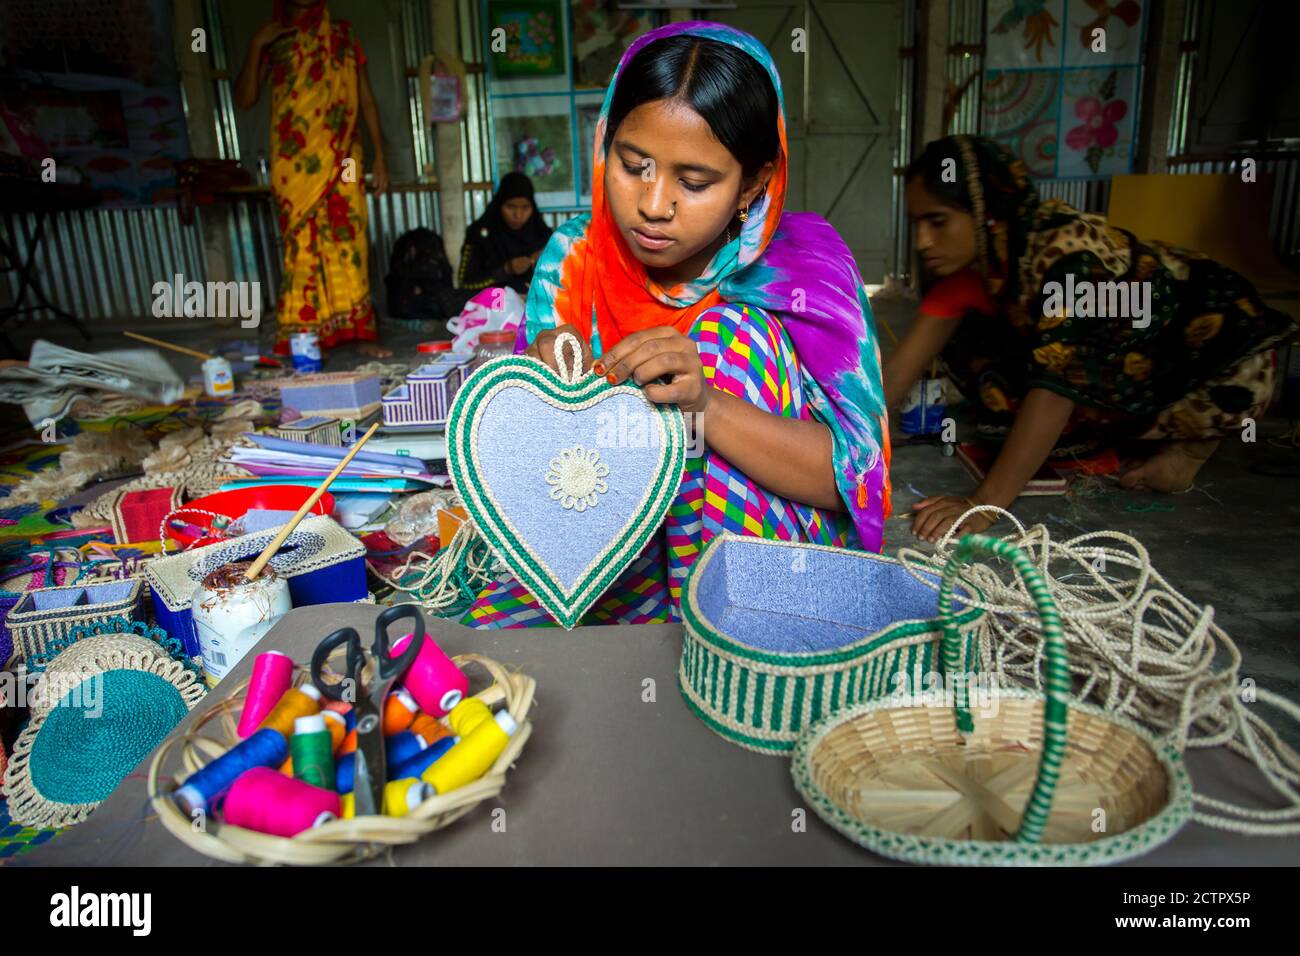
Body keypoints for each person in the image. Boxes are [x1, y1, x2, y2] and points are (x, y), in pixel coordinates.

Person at [463, 22, 891, 628]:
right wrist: (545, 395)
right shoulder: (574, 260)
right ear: (604, 144)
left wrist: (705, 405)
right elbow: (540, 479)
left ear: (754, 182)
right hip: (613, 566)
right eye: (632, 164)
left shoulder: (803, 271)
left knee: (726, 337)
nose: (654, 203)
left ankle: (727, 636)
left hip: (754, 563)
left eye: (693, 183)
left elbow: (848, 482)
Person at [885, 135, 1296, 543]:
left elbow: (1055, 390)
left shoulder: (1068, 256)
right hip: (1128, 367)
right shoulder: (981, 266)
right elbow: (896, 376)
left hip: (1231, 363)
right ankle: (1120, 433)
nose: (923, 242)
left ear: (986, 212)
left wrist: (985, 504)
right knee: (990, 361)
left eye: (937, 222)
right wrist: (841, 448)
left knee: (1055, 386)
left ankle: (1191, 449)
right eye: (917, 224)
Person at [234, 0, 392, 358]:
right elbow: (244, 99)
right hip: (296, 164)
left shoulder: (343, 35)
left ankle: (358, 334)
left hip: (345, 158)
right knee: (301, 245)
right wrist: (257, 45)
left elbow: (365, 99)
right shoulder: (274, 40)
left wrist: (381, 157)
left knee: (348, 240)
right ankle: (304, 332)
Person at [457, 172, 552, 296]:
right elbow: (465, 284)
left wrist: (547, 261)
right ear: (499, 205)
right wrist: (506, 269)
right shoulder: (479, 235)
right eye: (511, 207)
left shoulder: (543, 235)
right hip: (493, 309)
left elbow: (564, 280)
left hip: (536, 310)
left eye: (525, 207)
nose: (518, 215)